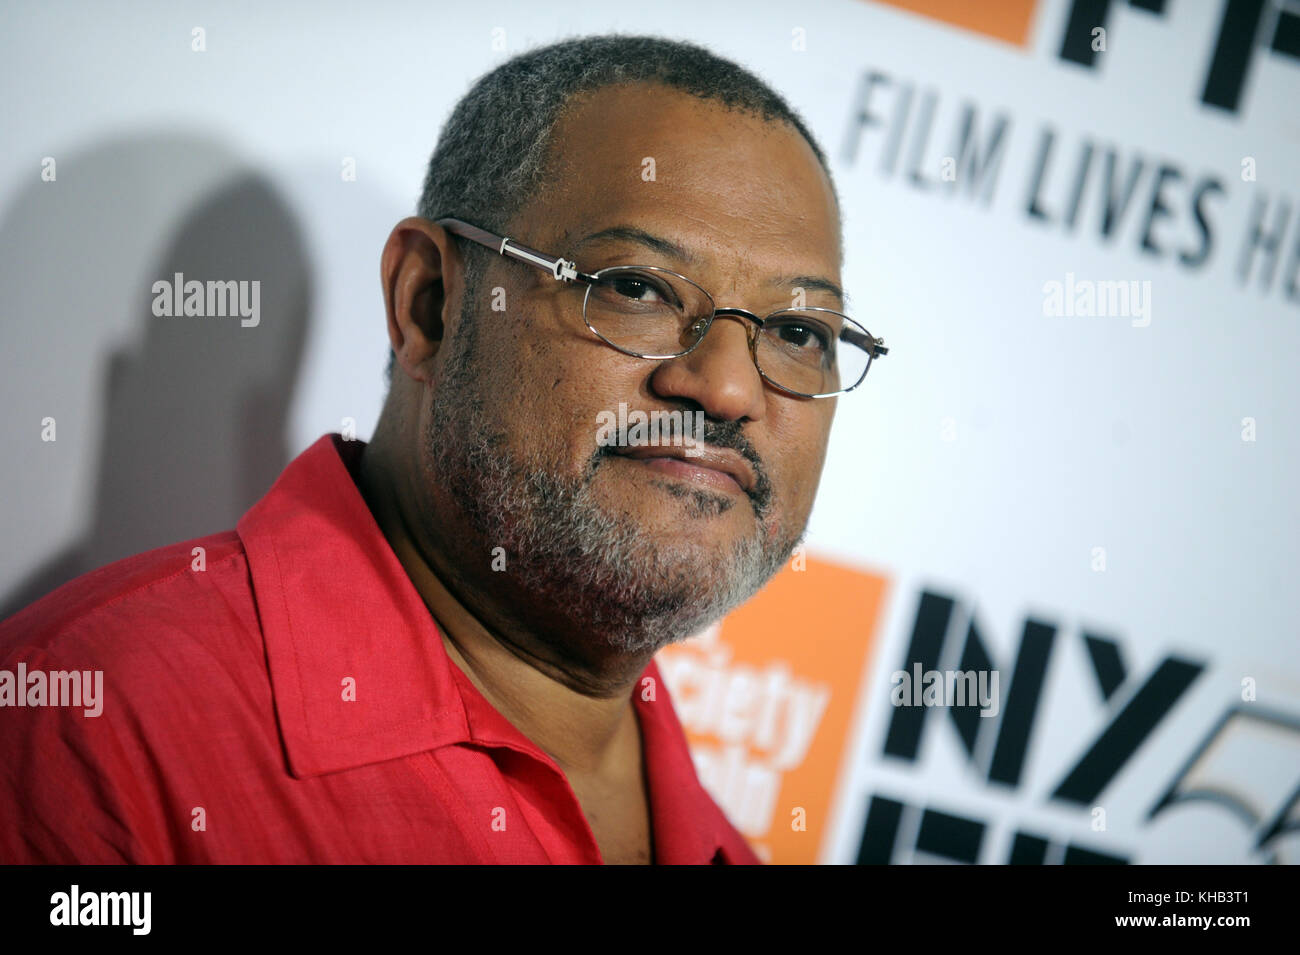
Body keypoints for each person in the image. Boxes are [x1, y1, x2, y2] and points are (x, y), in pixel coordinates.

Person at [0, 34, 886, 864]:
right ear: (429, 306)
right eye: (637, 287)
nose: (728, 389)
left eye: (800, 331)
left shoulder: (728, 845)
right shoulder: (97, 726)